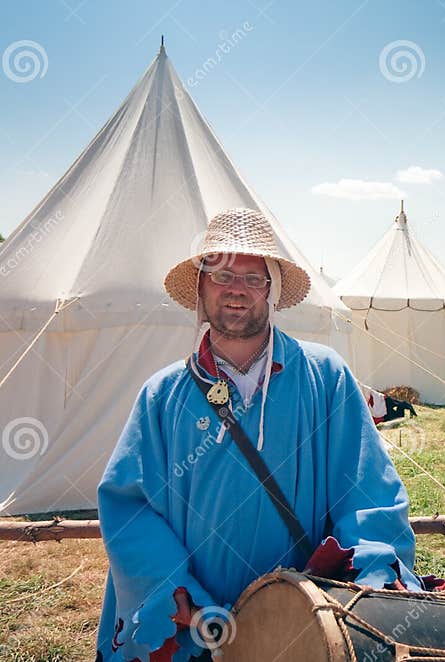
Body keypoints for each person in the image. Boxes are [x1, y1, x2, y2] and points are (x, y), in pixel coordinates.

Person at [95, 208, 421, 661]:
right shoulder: (162, 396)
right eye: (222, 275)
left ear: (272, 289)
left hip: (305, 625)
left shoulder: (325, 378)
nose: (237, 289)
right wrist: (174, 592)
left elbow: (367, 491)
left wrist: (365, 571)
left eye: (253, 277)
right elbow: (130, 505)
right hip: (197, 628)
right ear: (201, 289)